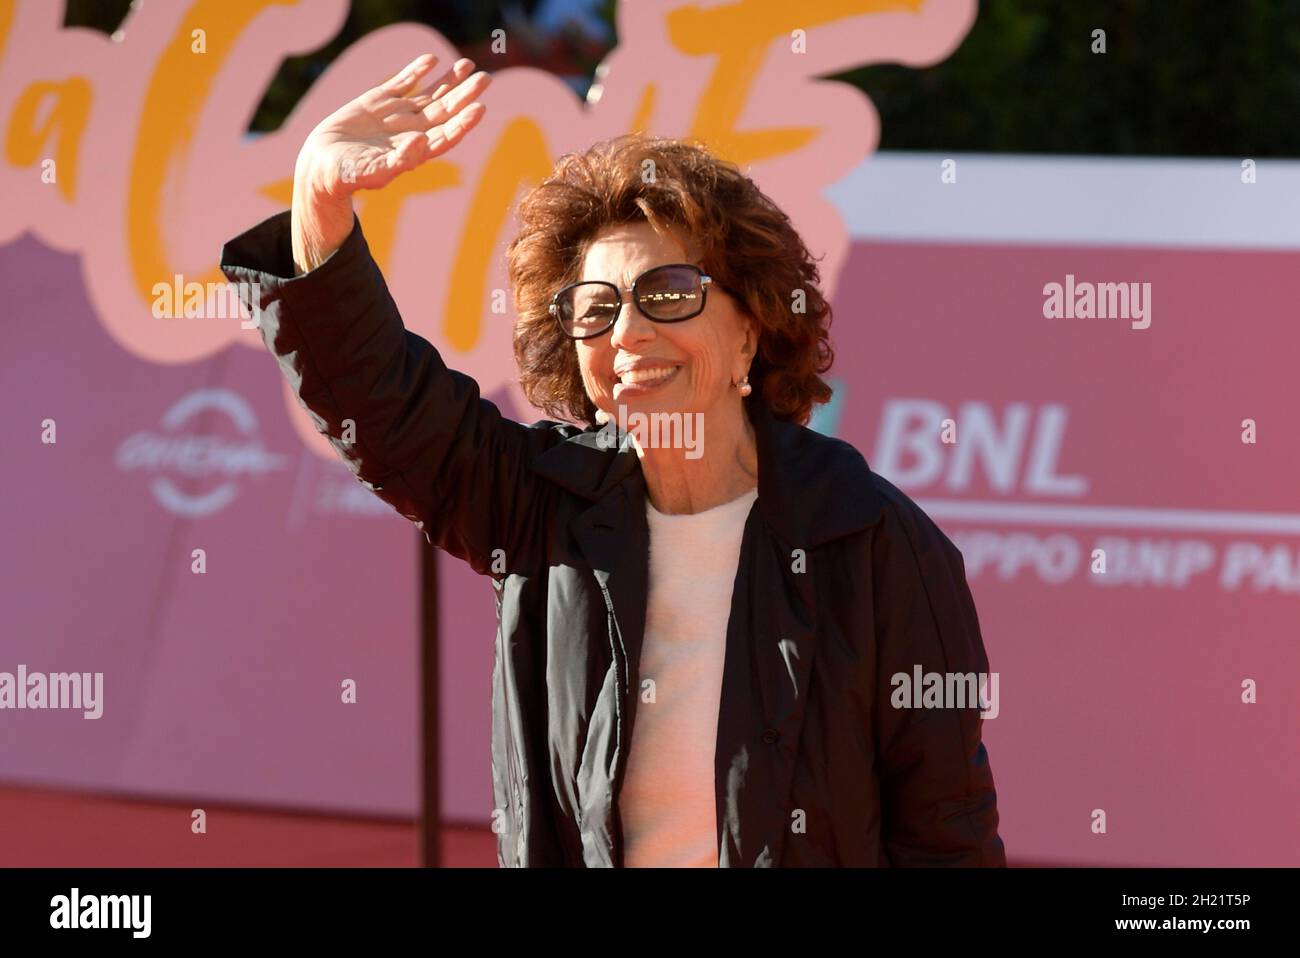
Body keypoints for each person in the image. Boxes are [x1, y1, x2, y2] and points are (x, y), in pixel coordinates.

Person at [220, 53, 1006, 867]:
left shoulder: (877, 544)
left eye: (668, 294)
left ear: (750, 330)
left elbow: (947, 840)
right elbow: (381, 406)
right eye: (595, 310)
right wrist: (318, 195)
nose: (627, 333)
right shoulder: (540, 508)